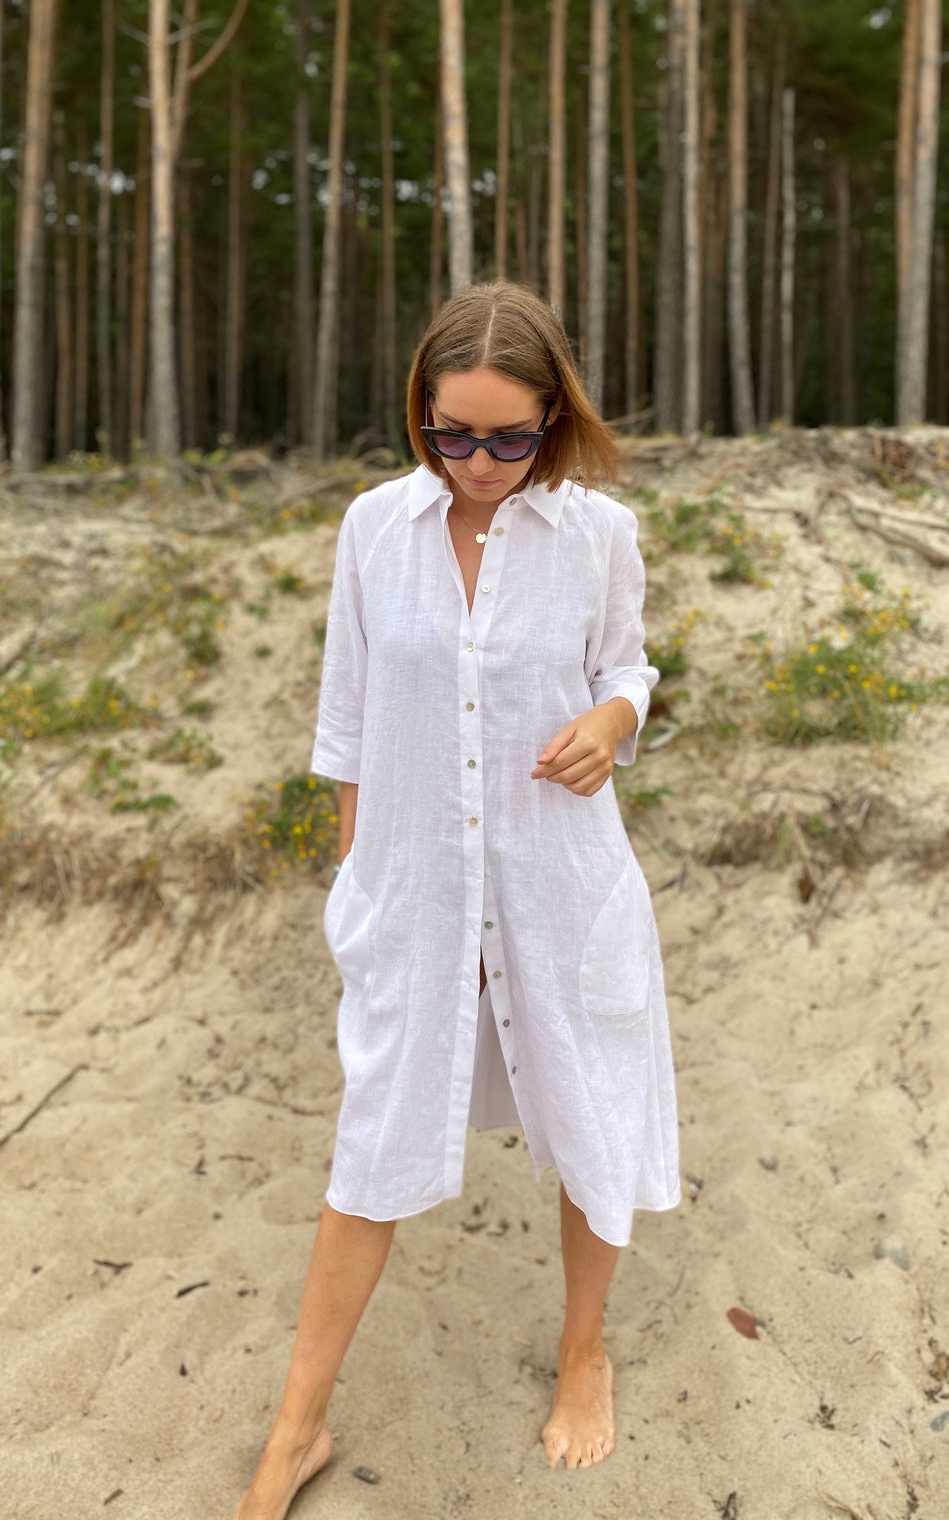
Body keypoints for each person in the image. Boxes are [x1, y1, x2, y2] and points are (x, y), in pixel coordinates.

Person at [233, 280, 681, 1520]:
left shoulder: (599, 535)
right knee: (370, 1144)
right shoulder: (374, 526)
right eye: (451, 431)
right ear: (420, 414)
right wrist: (358, 895)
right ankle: (297, 1424)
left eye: (508, 435)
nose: (478, 460)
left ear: (556, 417)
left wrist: (612, 716)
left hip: (562, 883)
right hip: (416, 891)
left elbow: (628, 663)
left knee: (590, 1120)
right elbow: (347, 722)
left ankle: (584, 1347)